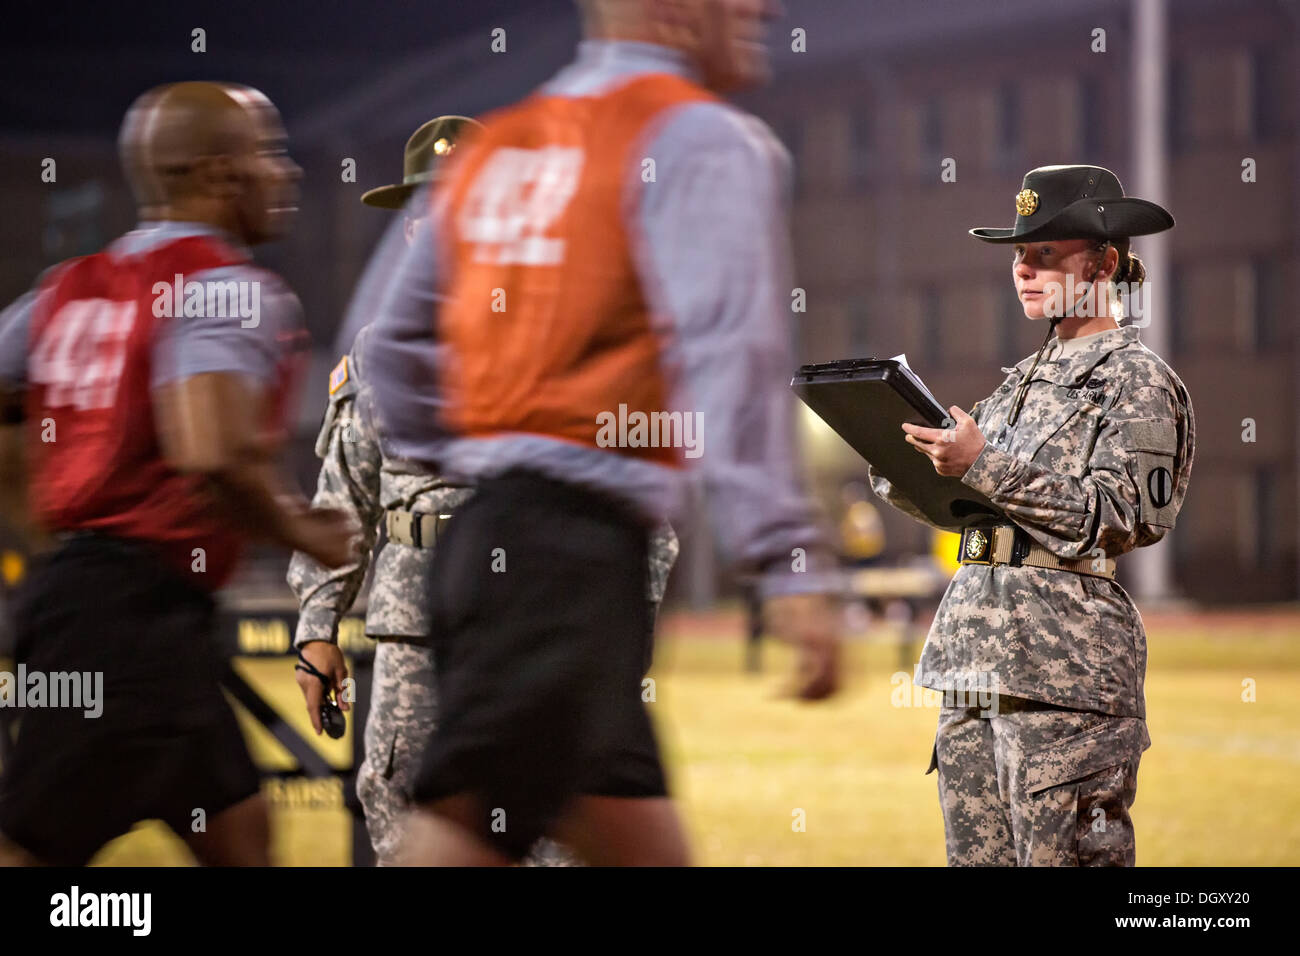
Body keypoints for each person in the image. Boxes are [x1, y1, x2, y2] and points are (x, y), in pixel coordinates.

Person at [365, 0, 842, 867]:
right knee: (466, 829)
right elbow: (732, 352)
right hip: (569, 558)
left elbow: (389, 351)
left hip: (496, 545)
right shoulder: (699, 138)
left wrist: (491, 449)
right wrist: (785, 555)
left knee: (641, 845)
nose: (763, 8)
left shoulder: (494, 145)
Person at [287, 116, 681, 865]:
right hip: (410, 628)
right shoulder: (381, 351)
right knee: (407, 814)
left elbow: (635, 489)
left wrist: (633, 624)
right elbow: (344, 497)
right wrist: (316, 629)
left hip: (544, 618)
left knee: (555, 821)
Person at [0, 82, 357, 866]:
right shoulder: (227, 287)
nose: (286, 172)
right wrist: (311, 532)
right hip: (127, 621)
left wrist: (39, 512)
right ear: (219, 174)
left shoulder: (60, 291)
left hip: (106, 606)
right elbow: (211, 456)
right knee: (33, 848)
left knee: (240, 834)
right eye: (269, 151)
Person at [871, 164, 1195, 866]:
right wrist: (890, 450)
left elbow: (1121, 513)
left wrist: (981, 463)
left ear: (1105, 261)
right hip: (974, 668)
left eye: (1045, 253)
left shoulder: (1136, 380)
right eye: (1019, 254)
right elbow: (968, 511)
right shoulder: (1018, 385)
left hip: (1068, 677)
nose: (1023, 269)